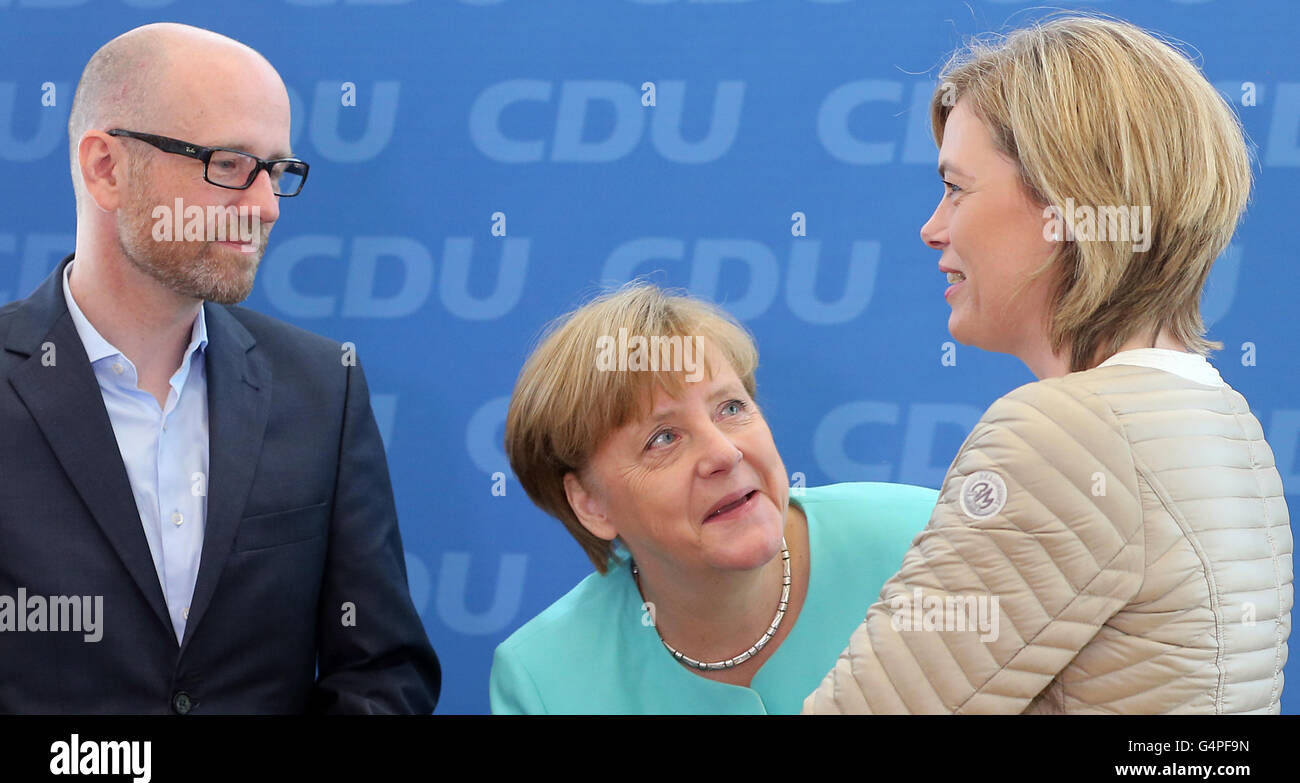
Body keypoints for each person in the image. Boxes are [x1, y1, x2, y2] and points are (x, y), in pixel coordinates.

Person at [805, 15, 1292, 714]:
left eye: (957, 188)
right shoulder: (1221, 419)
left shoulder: (1062, 437)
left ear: (1064, 204)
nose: (932, 227)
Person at [0, 24, 439, 713]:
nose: (264, 208)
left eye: (278, 171)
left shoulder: (323, 388)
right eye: (229, 164)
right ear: (106, 168)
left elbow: (383, 670)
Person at [489, 283, 937, 714]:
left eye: (731, 408)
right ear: (590, 503)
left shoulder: (927, 540)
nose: (724, 452)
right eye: (663, 438)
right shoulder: (544, 679)